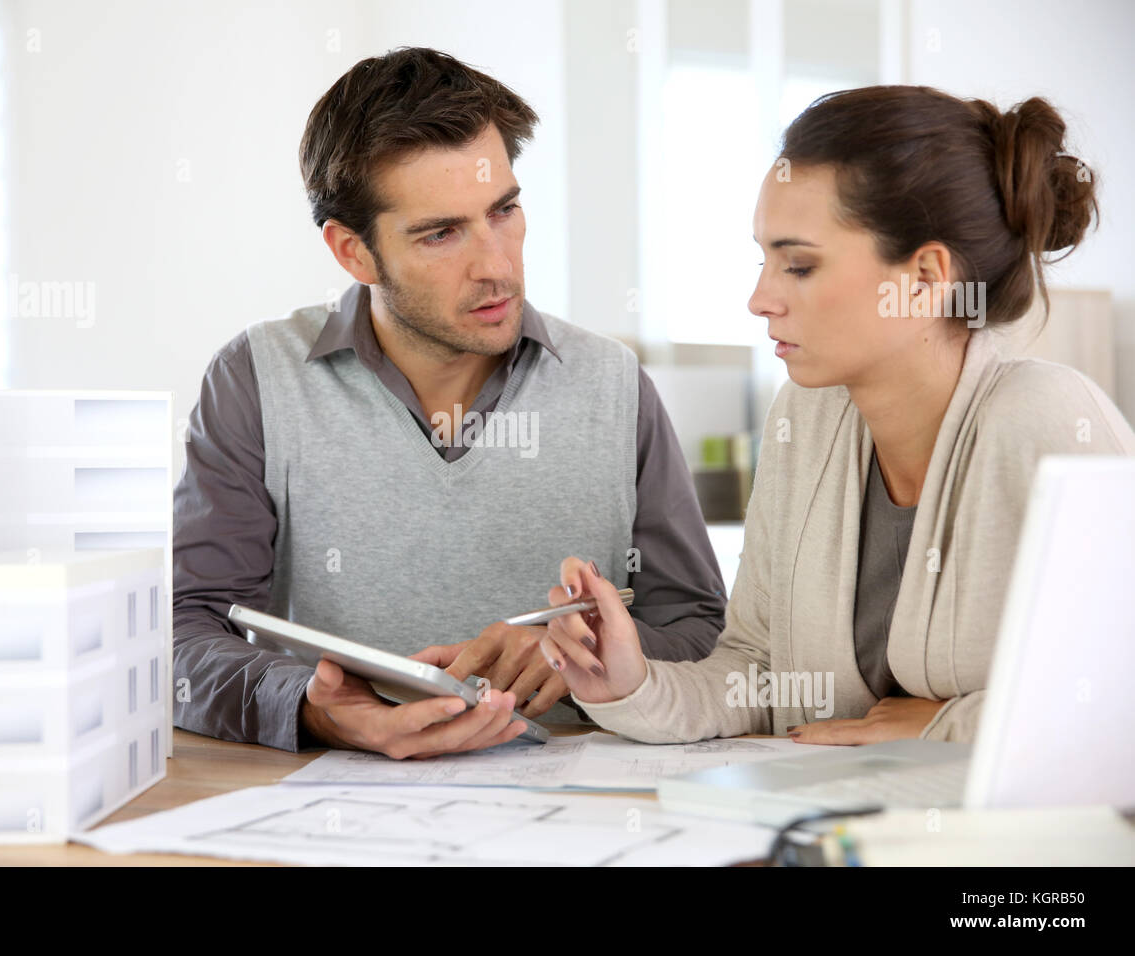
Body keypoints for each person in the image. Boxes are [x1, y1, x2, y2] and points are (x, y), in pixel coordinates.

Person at [171, 47, 728, 758]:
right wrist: (320, 712)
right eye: (441, 233)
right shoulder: (255, 378)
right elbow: (186, 632)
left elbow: (700, 628)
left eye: (505, 212)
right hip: (343, 812)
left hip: (579, 809)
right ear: (354, 253)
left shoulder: (613, 384)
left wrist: (589, 657)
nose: (496, 264)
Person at [538, 86, 1135, 746]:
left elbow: (1117, 706)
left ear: (926, 277)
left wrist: (947, 727)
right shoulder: (806, 419)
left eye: (799, 264)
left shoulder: (1049, 422)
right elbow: (758, 673)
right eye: (763, 260)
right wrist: (629, 683)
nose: (760, 298)